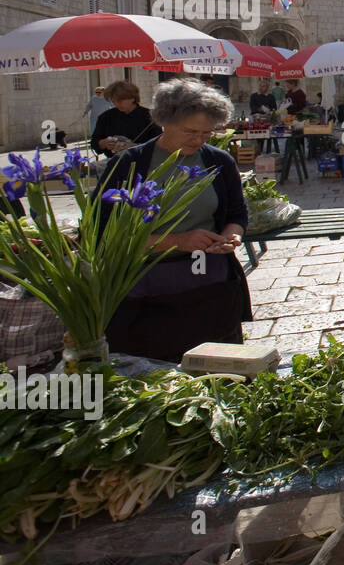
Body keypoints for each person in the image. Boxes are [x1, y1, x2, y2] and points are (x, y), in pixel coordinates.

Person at [94, 78, 251, 361]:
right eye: (190, 131)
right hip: (146, 290)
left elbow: (237, 214)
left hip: (211, 285)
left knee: (219, 369)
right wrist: (177, 241)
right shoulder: (127, 164)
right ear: (163, 121)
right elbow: (100, 230)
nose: (198, 140)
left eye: (207, 133)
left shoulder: (220, 161)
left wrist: (232, 235)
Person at [90, 81, 162, 156]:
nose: (117, 104)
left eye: (120, 101)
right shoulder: (106, 117)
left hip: (142, 162)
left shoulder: (150, 116)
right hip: (113, 162)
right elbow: (94, 143)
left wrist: (134, 146)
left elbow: (159, 144)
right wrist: (103, 143)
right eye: (114, 101)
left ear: (132, 98)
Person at [249, 79, 280, 153]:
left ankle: (269, 151)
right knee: (258, 134)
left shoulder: (271, 97)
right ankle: (259, 150)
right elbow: (252, 107)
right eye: (260, 86)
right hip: (258, 119)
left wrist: (269, 111)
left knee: (270, 131)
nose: (261, 87)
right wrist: (258, 109)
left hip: (268, 119)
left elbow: (274, 109)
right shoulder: (254, 96)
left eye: (263, 86)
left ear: (267, 87)